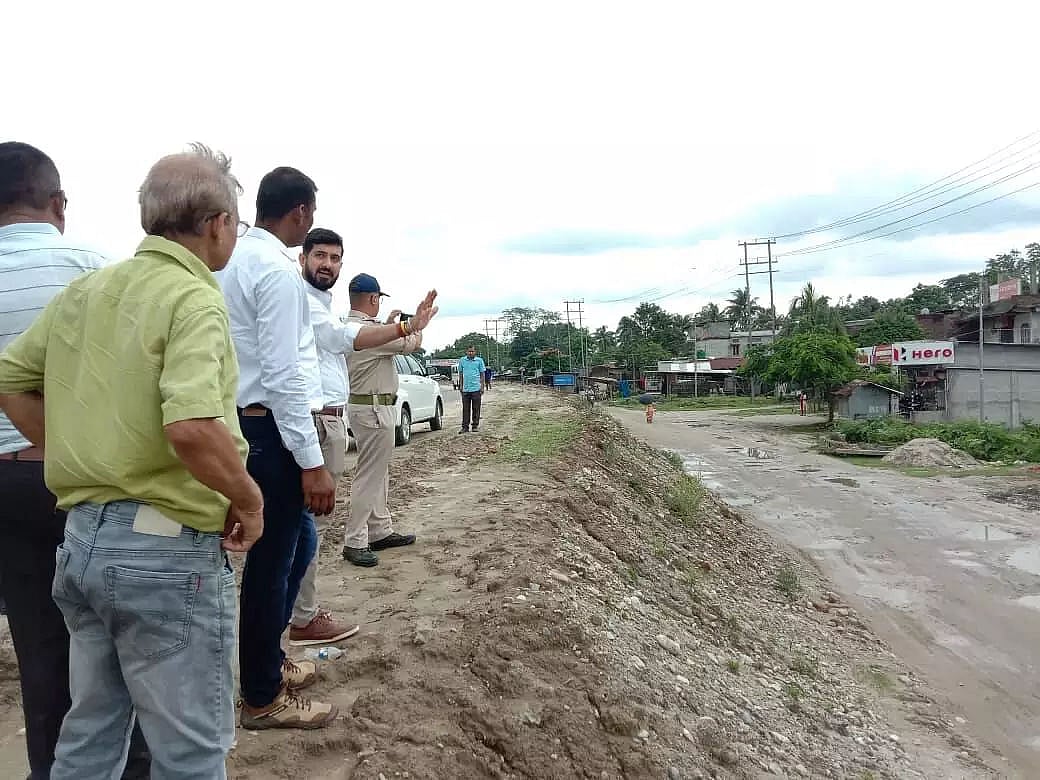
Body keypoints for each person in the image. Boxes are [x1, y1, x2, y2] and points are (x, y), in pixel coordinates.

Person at [0, 143, 262, 778]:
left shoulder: (88, 291)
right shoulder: (193, 298)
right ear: (217, 224)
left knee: (90, 735)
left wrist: (70, 448)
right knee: (190, 749)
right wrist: (249, 499)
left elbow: (10, 375)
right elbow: (194, 427)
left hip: (85, 540)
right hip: (166, 549)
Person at [0, 142, 151, 780]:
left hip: (4, 487)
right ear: (58, 203)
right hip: (84, 482)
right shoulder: (95, 268)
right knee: (121, 643)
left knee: (39, 648)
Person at [217, 166, 340, 729]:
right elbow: (284, 374)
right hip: (269, 430)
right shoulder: (275, 271)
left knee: (297, 542)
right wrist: (311, 463)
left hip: (236, 423)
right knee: (273, 562)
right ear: (301, 213)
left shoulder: (230, 260)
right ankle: (262, 696)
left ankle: (267, 660)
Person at [342, 274, 438, 567]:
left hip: (365, 408)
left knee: (377, 473)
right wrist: (417, 326)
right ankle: (355, 539)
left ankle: (379, 529)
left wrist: (388, 325)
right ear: (373, 299)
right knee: (370, 477)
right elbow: (411, 344)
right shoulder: (369, 332)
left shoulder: (350, 328)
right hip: (373, 410)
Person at [458, 345, 487, 433]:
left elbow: (482, 374)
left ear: (475, 352)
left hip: (476, 388)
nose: (471, 353)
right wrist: (461, 386)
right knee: (465, 409)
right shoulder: (462, 360)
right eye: (469, 351)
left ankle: (475, 425)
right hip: (466, 389)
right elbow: (461, 374)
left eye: (472, 351)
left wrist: (482, 386)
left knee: (476, 408)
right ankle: (465, 427)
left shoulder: (479, 361)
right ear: (466, 352)